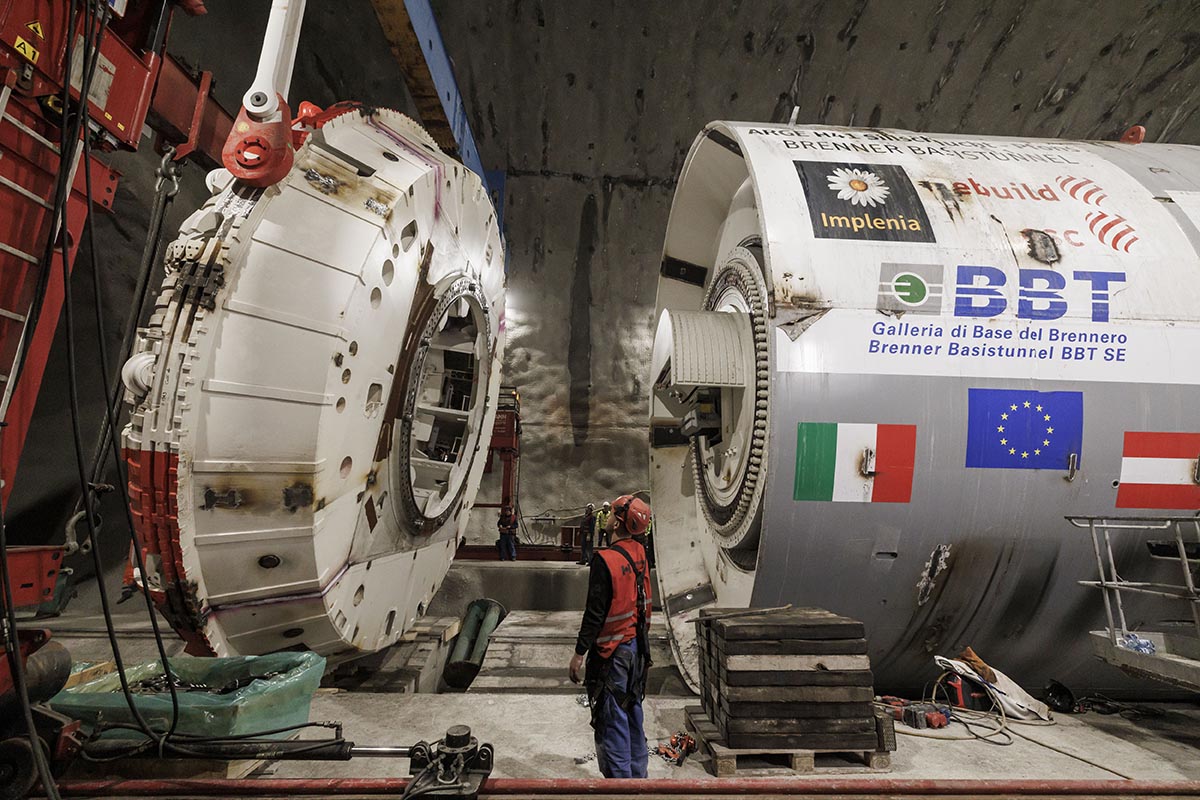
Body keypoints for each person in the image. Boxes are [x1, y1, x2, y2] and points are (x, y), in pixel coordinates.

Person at [569, 494, 653, 779]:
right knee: (632, 712)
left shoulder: (604, 560)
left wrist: (579, 653)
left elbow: (595, 613)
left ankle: (620, 788)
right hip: (636, 650)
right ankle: (639, 779)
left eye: (611, 513)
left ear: (617, 521)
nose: (606, 518)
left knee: (613, 717)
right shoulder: (640, 553)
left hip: (612, 653)